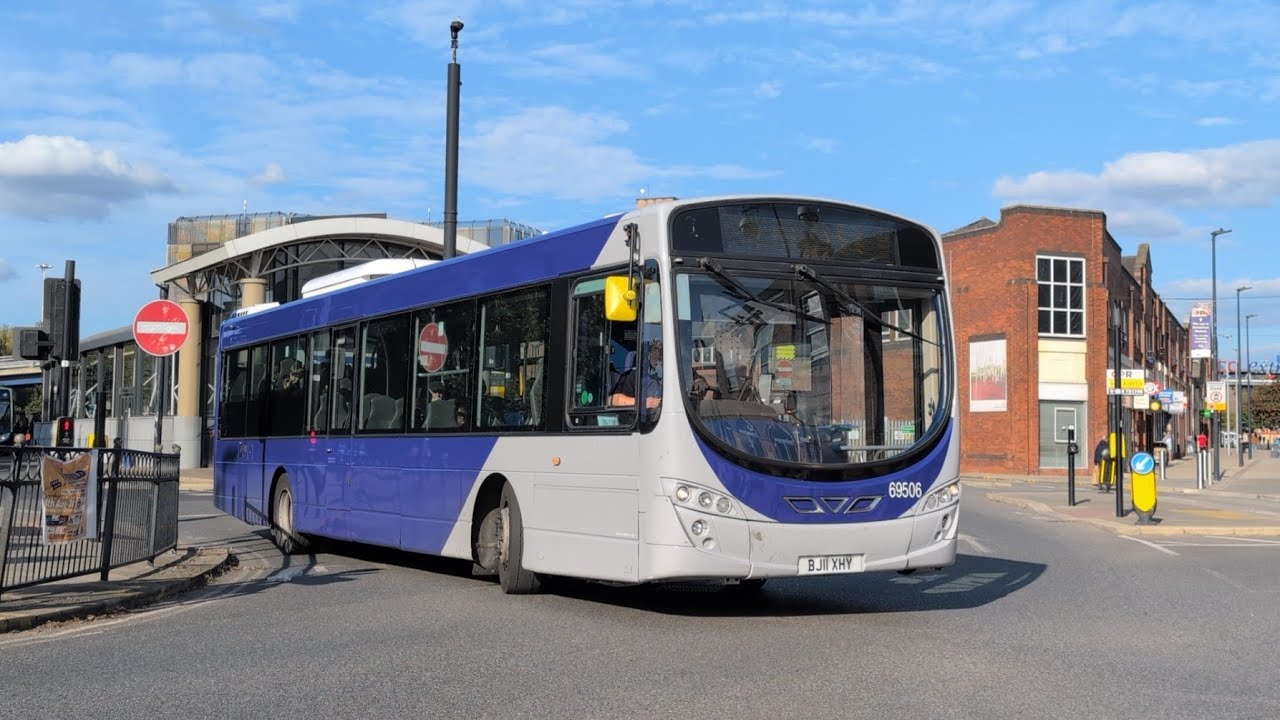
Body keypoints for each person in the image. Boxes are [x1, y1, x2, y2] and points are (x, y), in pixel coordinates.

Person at [611, 340, 663, 411]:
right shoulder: (633, 376)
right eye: (655, 354)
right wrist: (645, 403)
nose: (657, 361)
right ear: (649, 355)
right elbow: (613, 400)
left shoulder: (672, 380)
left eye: (660, 358)